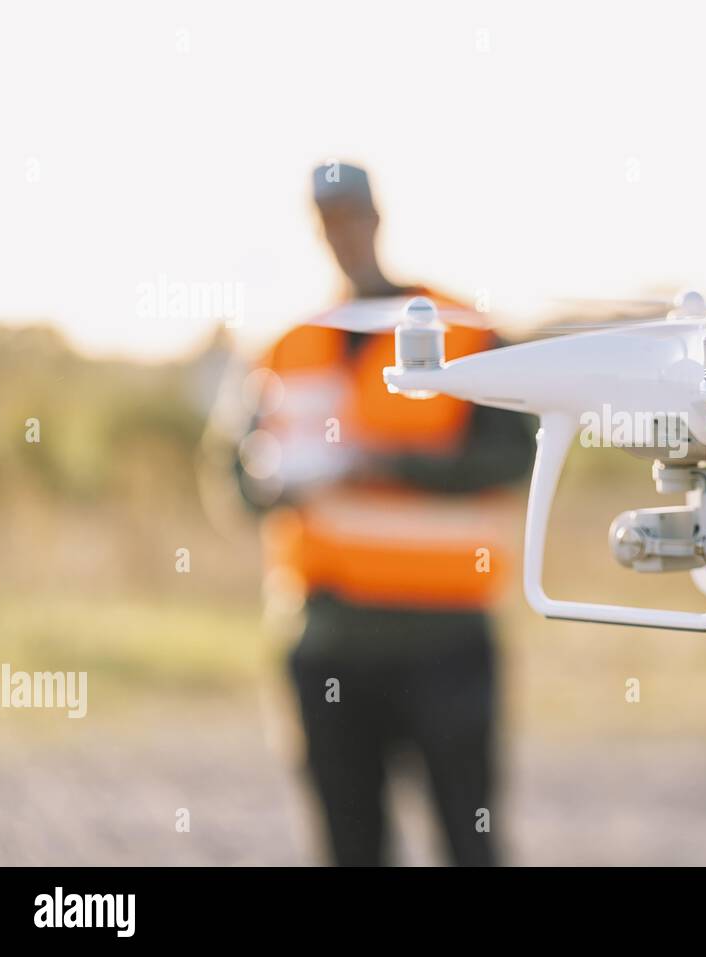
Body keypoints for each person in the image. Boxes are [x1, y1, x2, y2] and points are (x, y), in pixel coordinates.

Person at [236, 162, 535, 866]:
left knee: (470, 837)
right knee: (349, 846)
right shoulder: (288, 346)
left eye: (351, 216)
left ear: (377, 218)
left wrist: (387, 464)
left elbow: (514, 453)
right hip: (329, 641)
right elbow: (233, 474)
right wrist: (271, 478)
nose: (342, 233)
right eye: (327, 221)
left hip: (445, 642)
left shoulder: (464, 330)